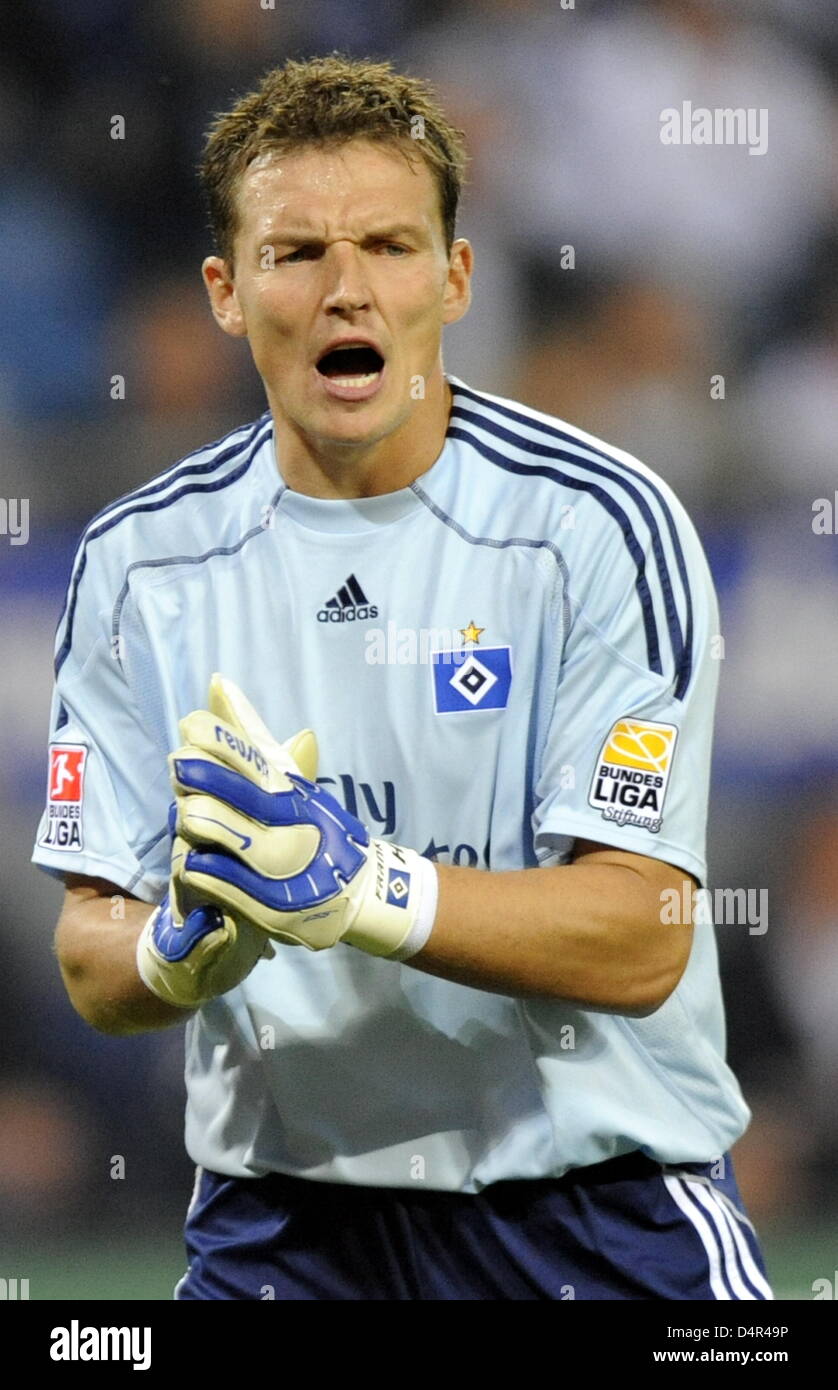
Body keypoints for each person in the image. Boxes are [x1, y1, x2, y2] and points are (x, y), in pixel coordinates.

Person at [34, 54, 773, 1301]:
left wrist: (362, 886)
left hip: (592, 1214)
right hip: (285, 1234)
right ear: (224, 290)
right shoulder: (137, 564)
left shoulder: (596, 525)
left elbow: (640, 931)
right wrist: (170, 954)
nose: (346, 291)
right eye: (296, 253)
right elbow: (84, 944)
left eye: (387, 244)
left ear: (456, 276)